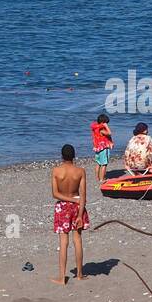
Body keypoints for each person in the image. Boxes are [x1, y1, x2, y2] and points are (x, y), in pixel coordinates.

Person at [50, 144, 88, 285]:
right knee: (77, 240)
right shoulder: (80, 171)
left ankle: (62, 277)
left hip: (62, 207)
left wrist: (70, 200)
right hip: (77, 205)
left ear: (61, 156)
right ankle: (79, 274)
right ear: (74, 156)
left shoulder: (56, 171)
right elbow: (83, 195)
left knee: (63, 242)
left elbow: (55, 194)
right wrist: (79, 212)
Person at [90, 113, 114, 183]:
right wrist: (106, 126)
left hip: (97, 148)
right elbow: (109, 133)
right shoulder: (102, 130)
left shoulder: (96, 128)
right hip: (103, 149)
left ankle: (97, 178)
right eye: (106, 123)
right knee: (104, 164)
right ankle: (102, 179)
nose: (107, 124)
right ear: (103, 123)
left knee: (98, 163)